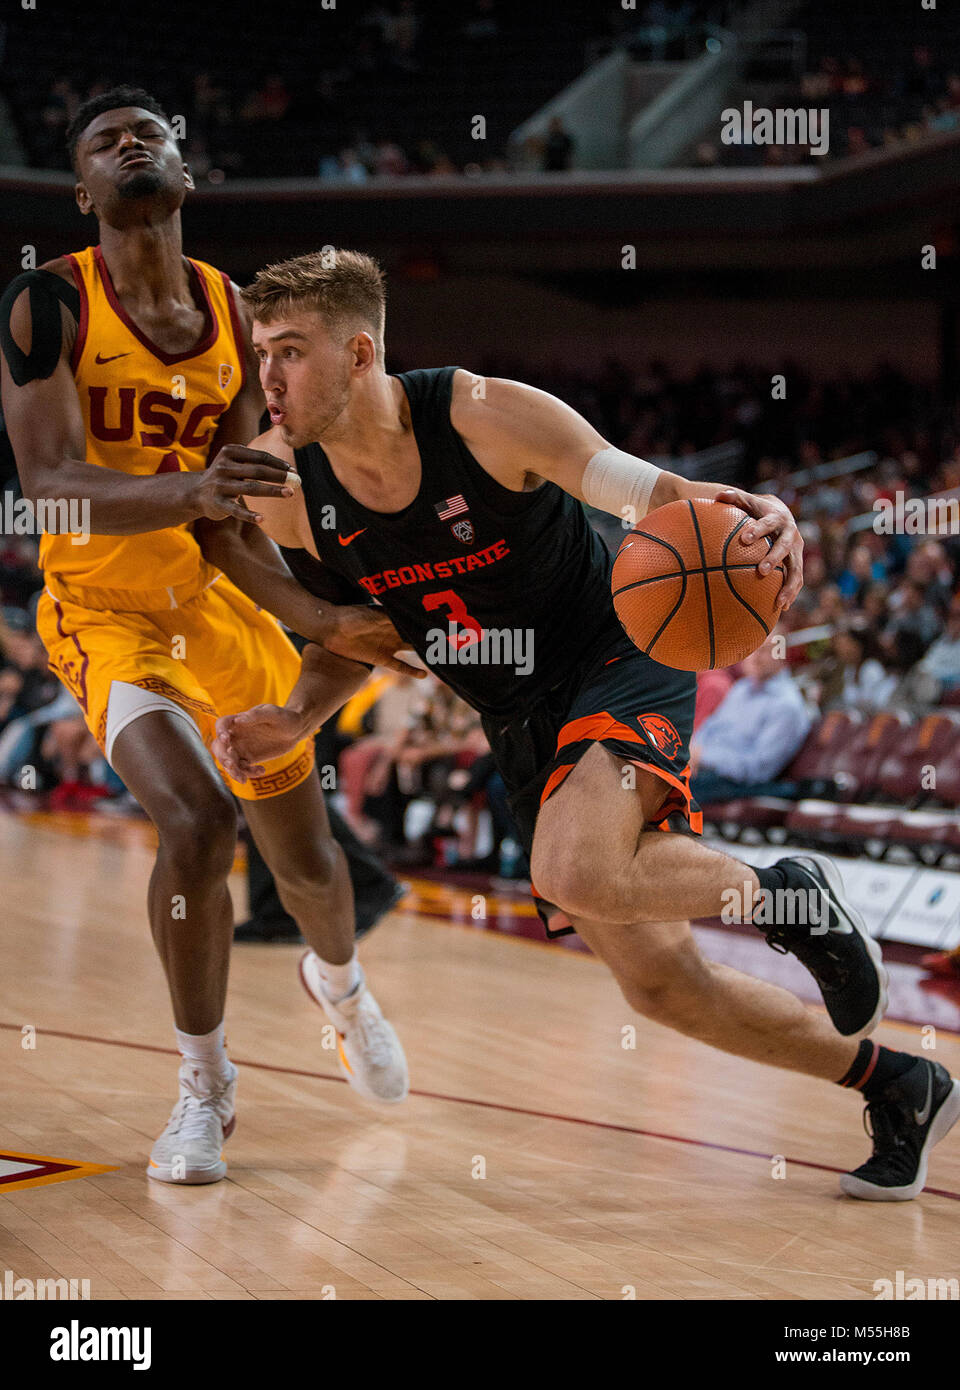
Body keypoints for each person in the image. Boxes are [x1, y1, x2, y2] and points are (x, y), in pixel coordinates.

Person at [213, 247, 960, 1202]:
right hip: (517, 714)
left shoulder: (483, 415)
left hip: (617, 643)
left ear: (361, 353)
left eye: (290, 352)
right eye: (260, 353)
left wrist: (764, 511)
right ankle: (900, 1085)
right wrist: (296, 719)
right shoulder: (289, 496)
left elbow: (654, 494)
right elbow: (351, 635)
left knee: (570, 868)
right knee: (660, 986)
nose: (267, 379)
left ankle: (789, 896)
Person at [0, 90, 418, 1187]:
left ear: (189, 174)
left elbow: (229, 522)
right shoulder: (46, 302)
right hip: (103, 609)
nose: (131, 143)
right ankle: (205, 1085)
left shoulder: (240, 316)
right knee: (193, 823)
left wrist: (332, 623)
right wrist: (187, 486)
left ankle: (341, 988)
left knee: (310, 860)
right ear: (83, 192)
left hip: (215, 605)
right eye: (104, 141)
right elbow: (46, 490)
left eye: (152, 133)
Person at [688, 635, 813, 804]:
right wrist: (692, 756)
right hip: (708, 773)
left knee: (669, 787)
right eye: (749, 650)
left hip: (741, 784)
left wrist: (704, 757)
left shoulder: (786, 705)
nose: (754, 657)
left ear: (783, 654)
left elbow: (757, 769)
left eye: (763, 650)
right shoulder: (740, 688)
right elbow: (709, 729)